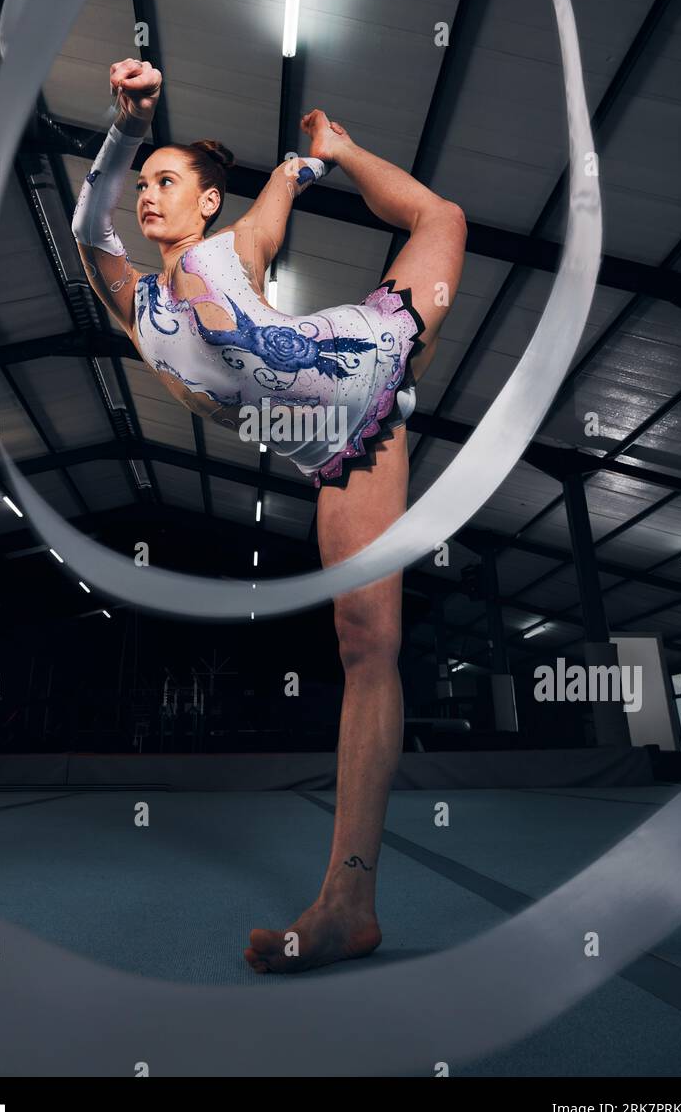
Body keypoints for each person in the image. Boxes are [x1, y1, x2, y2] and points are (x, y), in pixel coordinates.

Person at [74, 59, 467, 973]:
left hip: (375, 345)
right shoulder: (137, 308)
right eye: (144, 184)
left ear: (209, 204)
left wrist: (313, 161)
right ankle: (349, 905)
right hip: (347, 451)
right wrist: (125, 127)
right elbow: (85, 221)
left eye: (166, 181)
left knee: (442, 218)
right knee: (366, 646)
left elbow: (276, 199)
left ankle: (347, 144)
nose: (146, 197)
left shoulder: (232, 248)